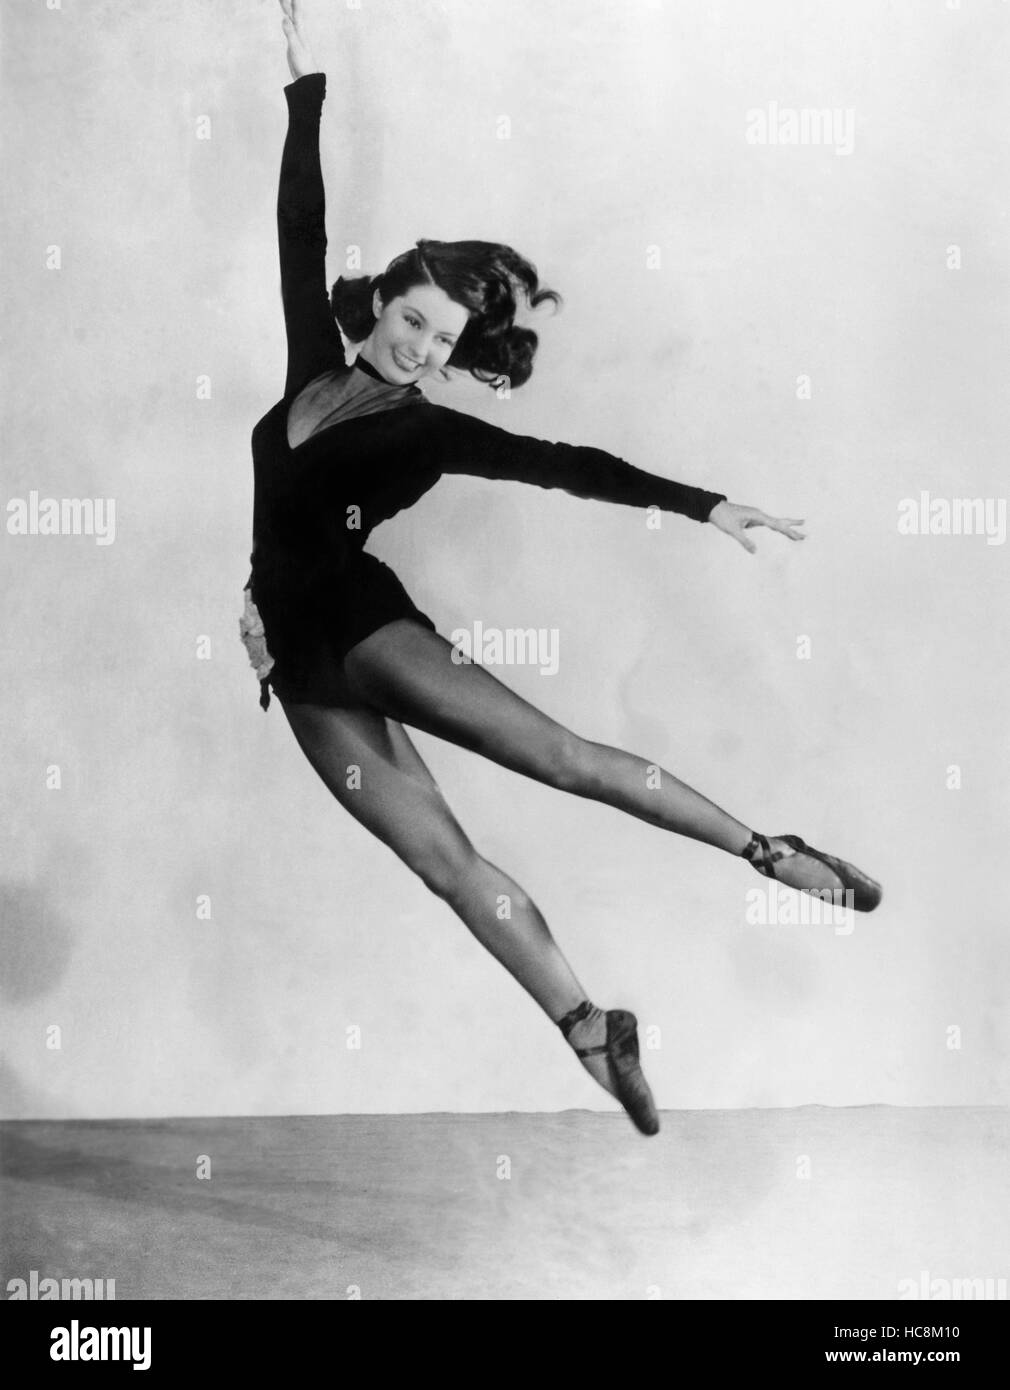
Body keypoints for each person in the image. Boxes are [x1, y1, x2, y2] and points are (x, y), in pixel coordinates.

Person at [240, 0, 882, 1137]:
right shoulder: (308, 361)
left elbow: (566, 465)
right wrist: (307, 91)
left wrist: (701, 503)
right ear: (385, 297)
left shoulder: (425, 429)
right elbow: (299, 225)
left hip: (365, 632)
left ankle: (768, 850)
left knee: (561, 761)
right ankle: (591, 1024)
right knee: (445, 866)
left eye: (444, 341)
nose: (423, 347)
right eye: (416, 321)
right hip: (296, 669)